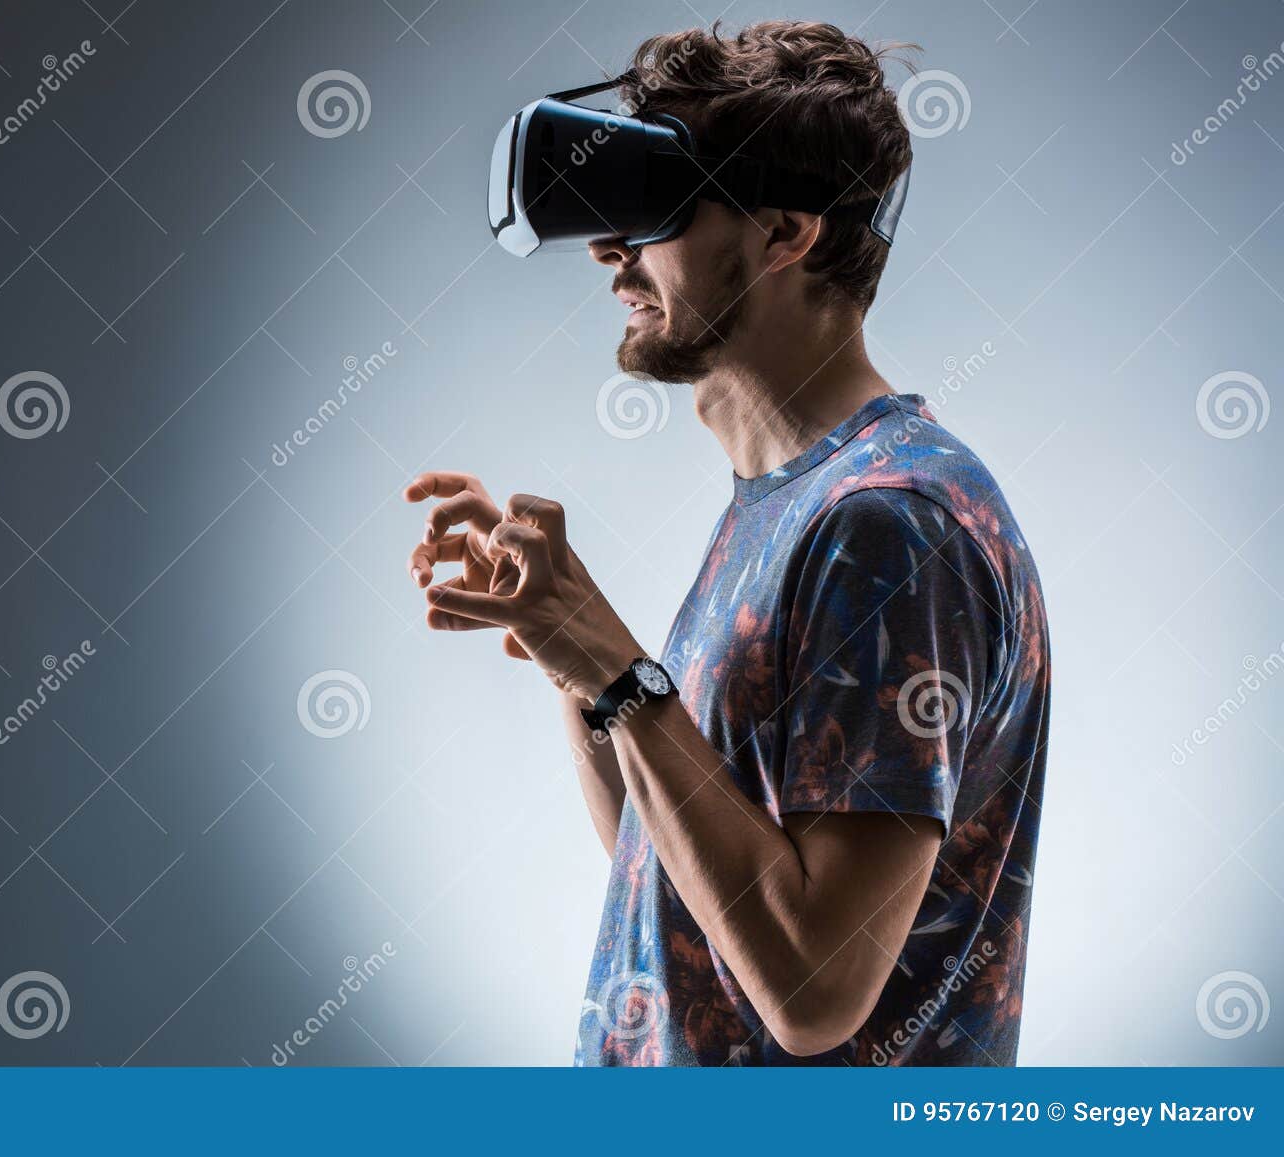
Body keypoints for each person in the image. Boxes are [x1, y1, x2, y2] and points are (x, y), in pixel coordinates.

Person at [405, 20, 1049, 1066]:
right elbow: (667, 865)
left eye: (656, 202)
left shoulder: (890, 524)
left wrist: (619, 669)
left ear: (784, 234)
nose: (609, 248)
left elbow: (812, 987)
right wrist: (574, 661)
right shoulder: (792, 500)